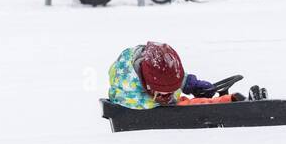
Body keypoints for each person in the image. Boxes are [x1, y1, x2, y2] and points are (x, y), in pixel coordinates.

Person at [108, 41, 260, 109]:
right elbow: (182, 106)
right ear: (149, 86)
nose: (169, 95)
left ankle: (230, 102)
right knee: (188, 105)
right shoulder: (132, 94)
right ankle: (231, 102)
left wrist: (189, 83)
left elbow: (167, 74)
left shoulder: (150, 67)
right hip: (144, 113)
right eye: (165, 94)